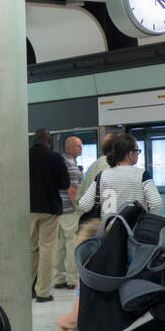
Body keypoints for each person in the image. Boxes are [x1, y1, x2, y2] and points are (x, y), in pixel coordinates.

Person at [75, 132, 162, 219]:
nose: (138, 154)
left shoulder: (102, 175)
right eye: (137, 151)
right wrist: (147, 220)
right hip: (134, 229)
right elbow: (156, 203)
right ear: (130, 154)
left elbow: (84, 204)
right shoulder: (142, 174)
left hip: (107, 229)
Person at [28, 129, 70, 302]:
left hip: (27, 208)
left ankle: (27, 288)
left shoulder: (24, 156)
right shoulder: (55, 157)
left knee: (30, 249)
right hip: (50, 209)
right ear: (48, 140)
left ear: (35, 140)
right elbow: (64, 185)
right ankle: (43, 292)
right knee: (47, 248)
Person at [52, 136, 83, 290]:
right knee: (72, 245)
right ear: (69, 148)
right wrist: (78, 207)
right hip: (69, 211)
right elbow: (73, 190)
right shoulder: (71, 165)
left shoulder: (61, 162)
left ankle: (59, 278)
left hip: (58, 210)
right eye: (78, 146)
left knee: (59, 245)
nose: (81, 148)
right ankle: (72, 279)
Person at [73, 132, 113, 247]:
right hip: (101, 221)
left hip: (89, 219)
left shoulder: (94, 165)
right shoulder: (110, 166)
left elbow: (81, 194)